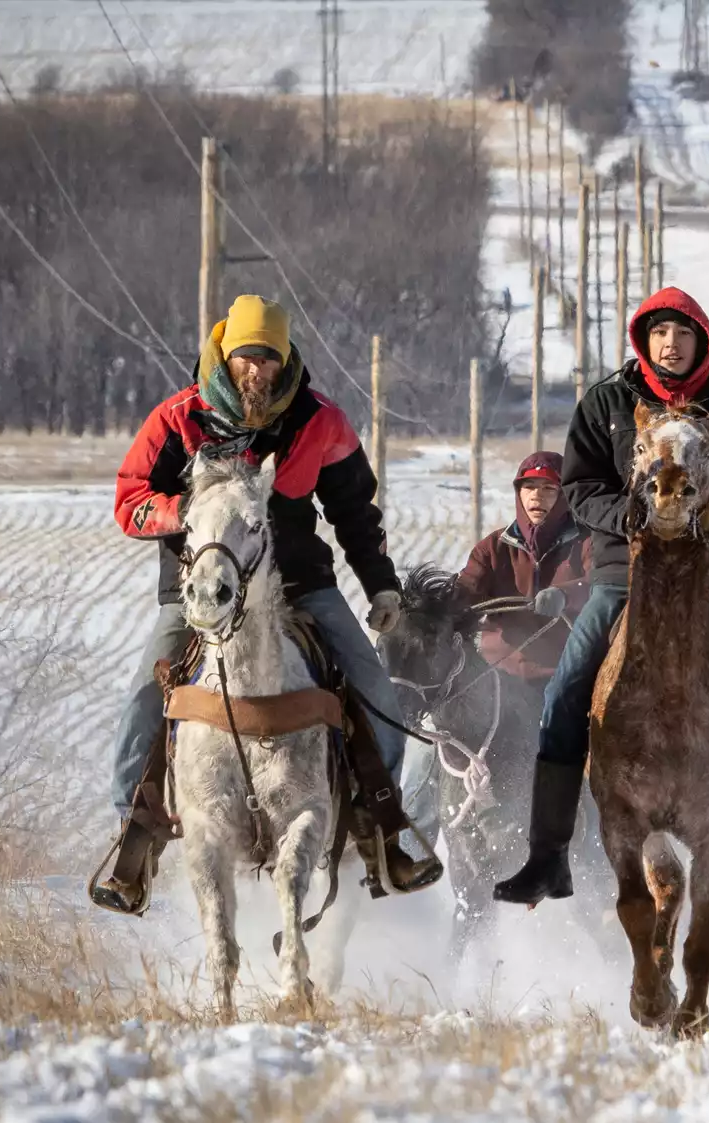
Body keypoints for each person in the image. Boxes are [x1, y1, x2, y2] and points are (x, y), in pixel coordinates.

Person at [95, 295, 439, 911]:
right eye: (246, 359)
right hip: (200, 590)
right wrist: (189, 514)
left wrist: (381, 584)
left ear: (285, 362)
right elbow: (129, 499)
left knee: (376, 694)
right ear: (226, 357)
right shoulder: (178, 417)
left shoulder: (319, 421)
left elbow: (355, 512)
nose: (257, 371)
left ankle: (379, 829)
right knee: (146, 698)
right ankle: (134, 838)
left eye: (268, 360)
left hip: (300, 587)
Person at [492, 287, 709, 904]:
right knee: (566, 690)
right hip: (625, 575)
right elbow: (580, 485)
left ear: (702, 340)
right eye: (659, 334)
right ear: (643, 340)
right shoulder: (607, 405)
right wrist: (631, 512)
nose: (671, 345)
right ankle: (548, 855)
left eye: (683, 333)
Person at [454, 451, 592, 682]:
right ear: (519, 493)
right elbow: (467, 589)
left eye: (549, 488)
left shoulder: (586, 542)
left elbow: (603, 584)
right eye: (529, 487)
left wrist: (565, 594)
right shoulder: (492, 547)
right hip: (498, 672)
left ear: (564, 495)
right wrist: (440, 601)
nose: (537, 496)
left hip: (568, 673)